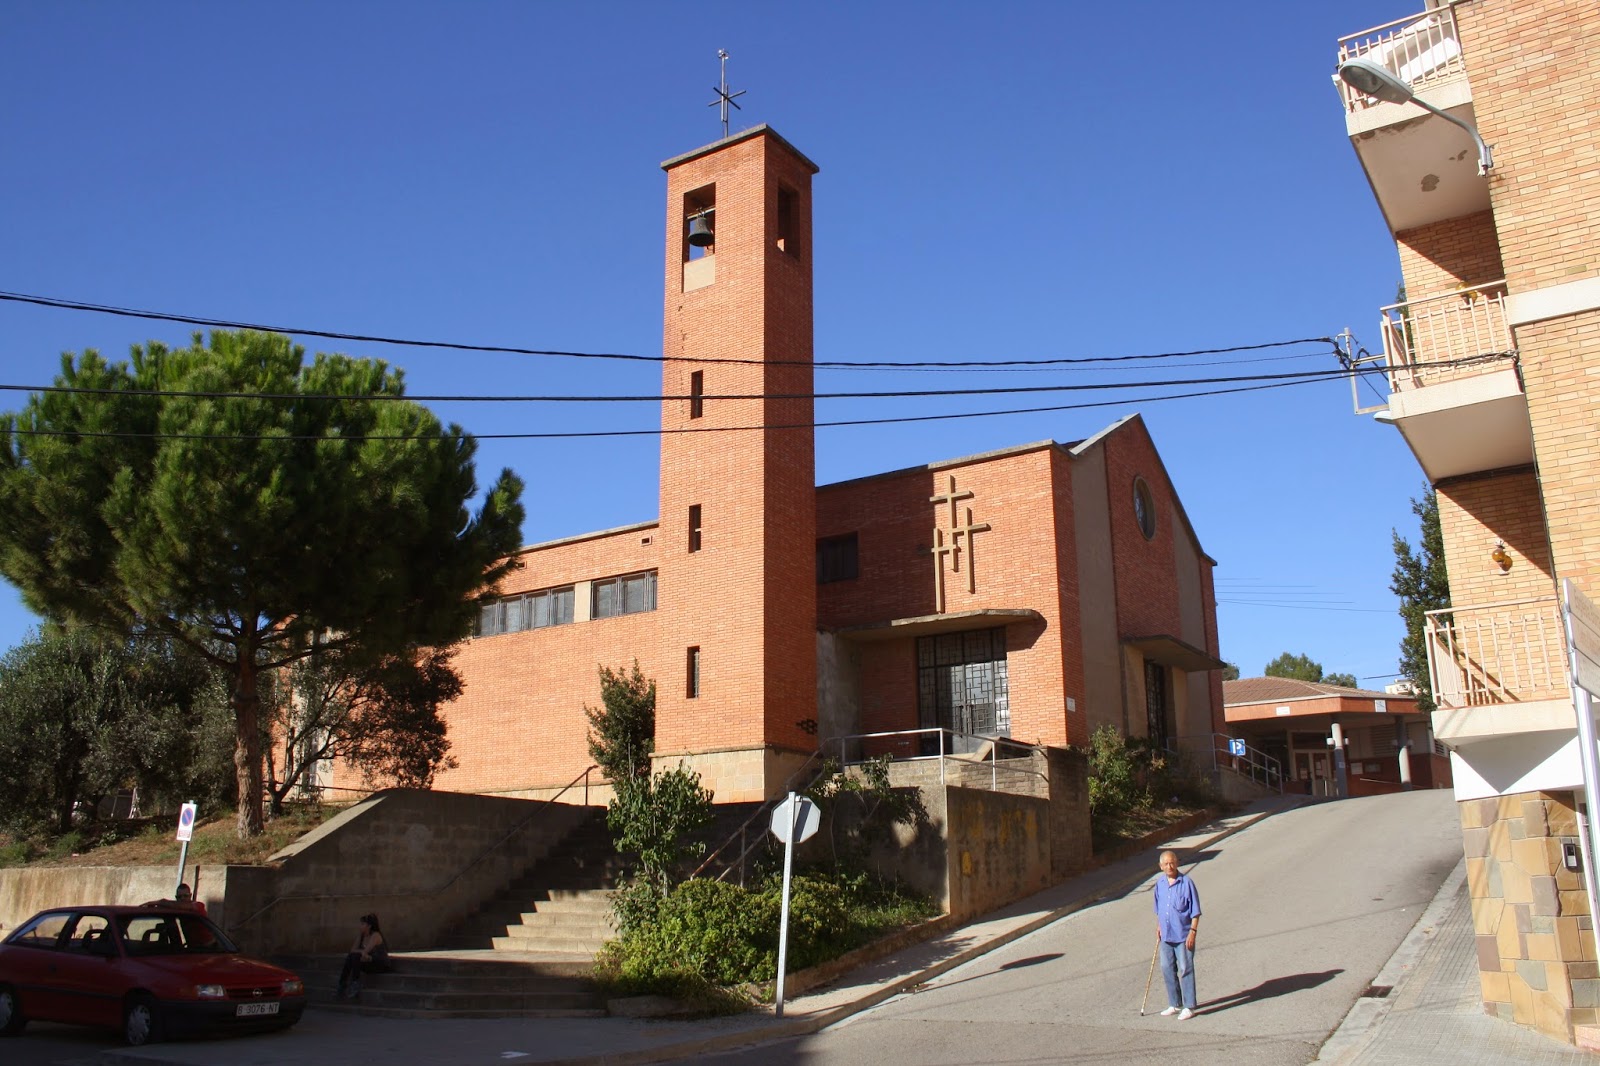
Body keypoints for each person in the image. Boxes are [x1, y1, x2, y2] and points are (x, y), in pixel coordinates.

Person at [1153, 849, 1201, 1020]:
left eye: (1172, 862)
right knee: (1167, 968)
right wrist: (1159, 927)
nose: (1169, 866)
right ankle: (1175, 1003)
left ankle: (1189, 1006)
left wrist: (1192, 932)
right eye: (1166, 864)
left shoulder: (1187, 883)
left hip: (1183, 935)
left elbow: (1195, 912)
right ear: (1160, 866)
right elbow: (1159, 909)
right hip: (1166, 935)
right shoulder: (1159, 884)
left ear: (1177, 863)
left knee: (1185, 969)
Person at [336, 913, 390, 999]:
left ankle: (355, 983)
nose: (360, 926)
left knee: (355, 956)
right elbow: (353, 950)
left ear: (369, 926)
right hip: (367, 961)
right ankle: (342, 984)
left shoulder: (375, 935)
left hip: (379, 964)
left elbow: (366, 951)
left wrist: (362, 953)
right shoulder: (361, 936)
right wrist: (362, 953)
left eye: (362, 924)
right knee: (352, 956)